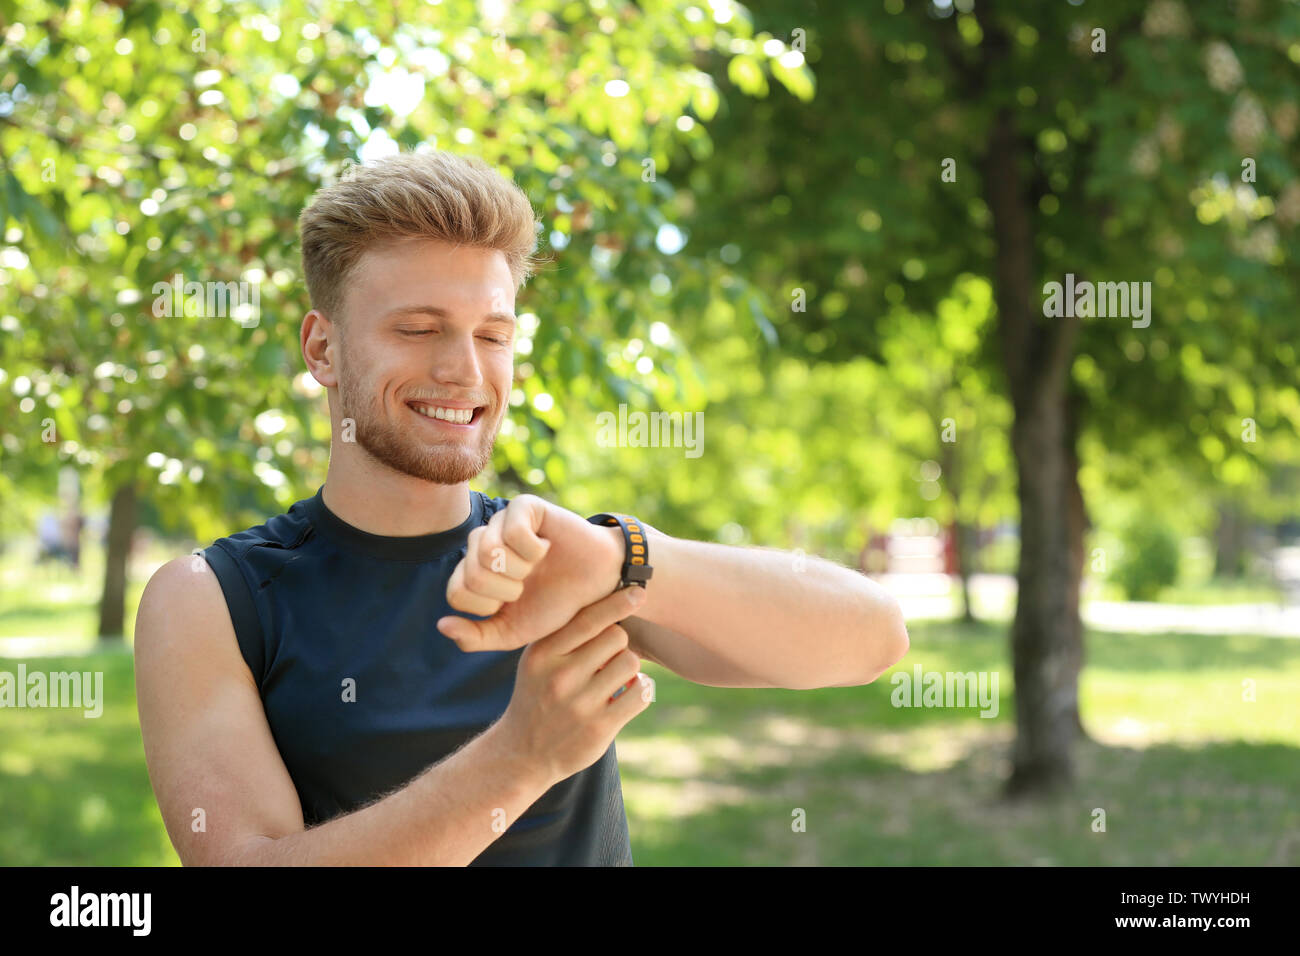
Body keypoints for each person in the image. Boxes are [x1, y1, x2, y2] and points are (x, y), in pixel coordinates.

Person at [133, 150, 909, 867]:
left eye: (492, 335)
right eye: (418, 328)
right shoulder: (211, 600)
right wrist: (521, 759)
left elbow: (872, 638)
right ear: (322, 348)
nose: (463, 370)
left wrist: (626, 559)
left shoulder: (565, 562)